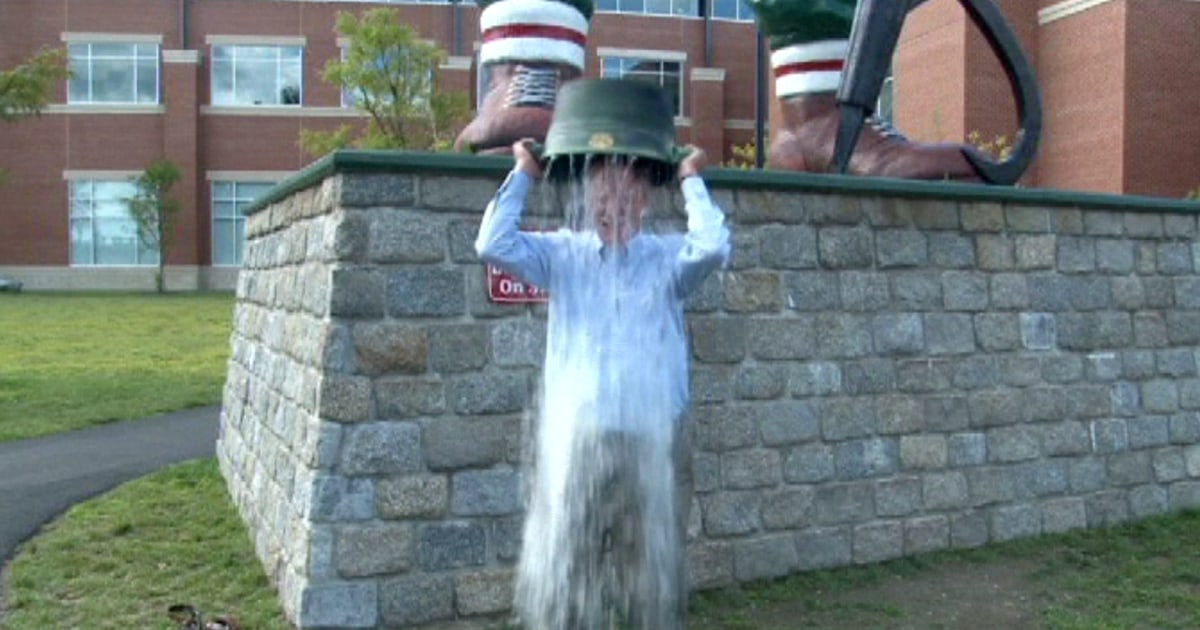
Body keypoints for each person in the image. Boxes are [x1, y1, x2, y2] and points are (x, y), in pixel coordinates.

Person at [475, 139, 731, 629]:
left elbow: (715, 245)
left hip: (653, 443)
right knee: (571, 575)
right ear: (588, 205)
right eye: (600, 204)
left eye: (624, 202)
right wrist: (525, 171)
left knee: (652, 583)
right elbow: (492, 244)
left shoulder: (668, 260)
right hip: (581, 440)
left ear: (644, 204)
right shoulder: (560, 254)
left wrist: (690, 176)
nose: (611, 213)